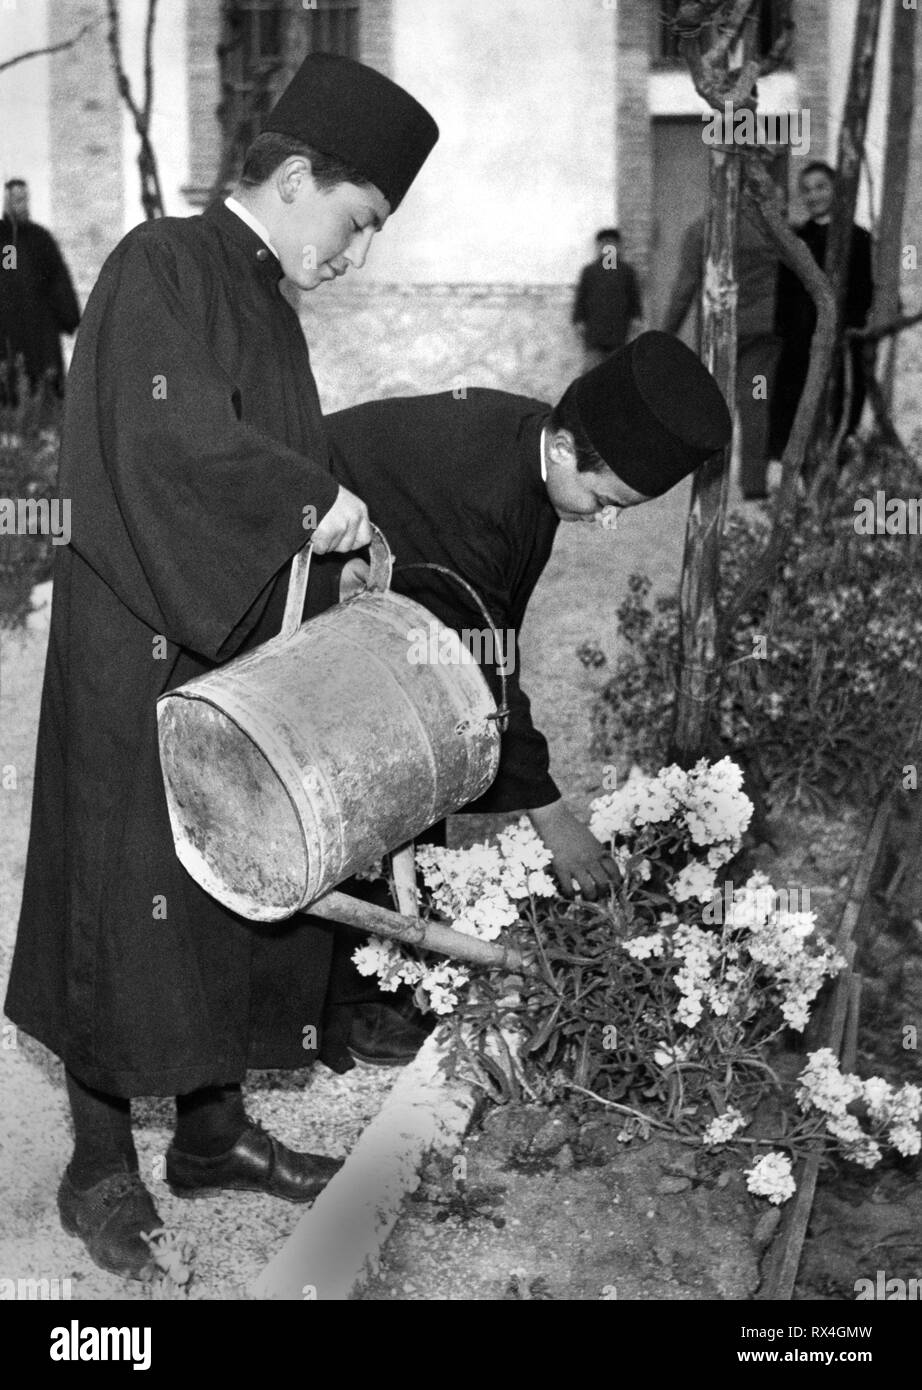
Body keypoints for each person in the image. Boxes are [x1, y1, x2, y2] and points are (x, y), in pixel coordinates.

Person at [4, 52, 438, 1282]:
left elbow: (280, 458)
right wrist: (315, 503)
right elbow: (166, 445)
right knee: (125, 879)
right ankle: (96, 1167)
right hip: (139, 640)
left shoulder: (268, 299)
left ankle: (209, 1134)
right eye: (356, 224)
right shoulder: (162, 262)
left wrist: (341, 535)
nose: (356, 255)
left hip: (232, 646)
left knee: (231, 877)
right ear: (296, 177)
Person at [324, 331, 732, 1059]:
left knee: (422, 748)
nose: (607, 518)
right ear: (570, 447)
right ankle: (355, 999)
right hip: (296, 560)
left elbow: (486, 634)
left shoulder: (534, 455)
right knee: (365, 763)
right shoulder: (480, 490)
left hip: (389, 592)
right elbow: (470, 664)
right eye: (608, 499)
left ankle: (396, 972)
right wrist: (554, 817)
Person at [663, 205, 781, 501]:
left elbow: (685, 286)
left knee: (715, 407)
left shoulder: (701, 229)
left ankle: (711, 480)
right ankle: (754, 483)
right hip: (762, 334)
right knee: (757, 403)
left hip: (719, 334)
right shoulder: (770, 227)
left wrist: (666, 333)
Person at [769, 160, 874, 459]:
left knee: (838, 418)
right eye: (806, 190)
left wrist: (851, 329)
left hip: (842, 344)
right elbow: (784, 294)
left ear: (835, 189)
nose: (814, 196)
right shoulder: (796, 240)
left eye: (821, 187)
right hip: (800, 346)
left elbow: (864, 292)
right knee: (798, 422)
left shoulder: (858, 238)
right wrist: (785, 333)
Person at [0, 178, 81, 404]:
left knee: (41, 394)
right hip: (6, 333)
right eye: (15, 199)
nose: (20, 204)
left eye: (23, 199)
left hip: (38, 332)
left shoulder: (40, 239)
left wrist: (69, 316)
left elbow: (57, 279)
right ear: (6, 201)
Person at [572, 228, 643, 367]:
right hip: (594, 333)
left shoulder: (626, 271)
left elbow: (634, 296)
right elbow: (581, 297)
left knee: (616, 371)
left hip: (619, 332)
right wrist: (578, 320)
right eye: (604, 243)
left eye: (612, 243)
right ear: (598, 246)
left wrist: (637, 316)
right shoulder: (589, 271)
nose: (608, 247)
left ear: (618, 246)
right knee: (592, 373)